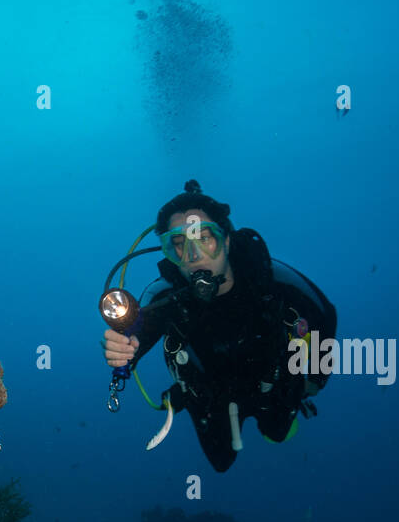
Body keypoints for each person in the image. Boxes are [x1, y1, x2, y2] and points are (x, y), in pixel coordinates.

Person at [102, 180, 336, 472]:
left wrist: (316, 378)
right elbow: (134, 335)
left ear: (226, 240)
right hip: (210, 401)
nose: (193, 254)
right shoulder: (164, 297)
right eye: (178, 244)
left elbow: (325, 316)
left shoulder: (269, 278)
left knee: (277, 432)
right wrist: (122, 351)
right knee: (221, 461)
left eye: (204, 238)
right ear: (169, 254)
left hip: (273, 386)